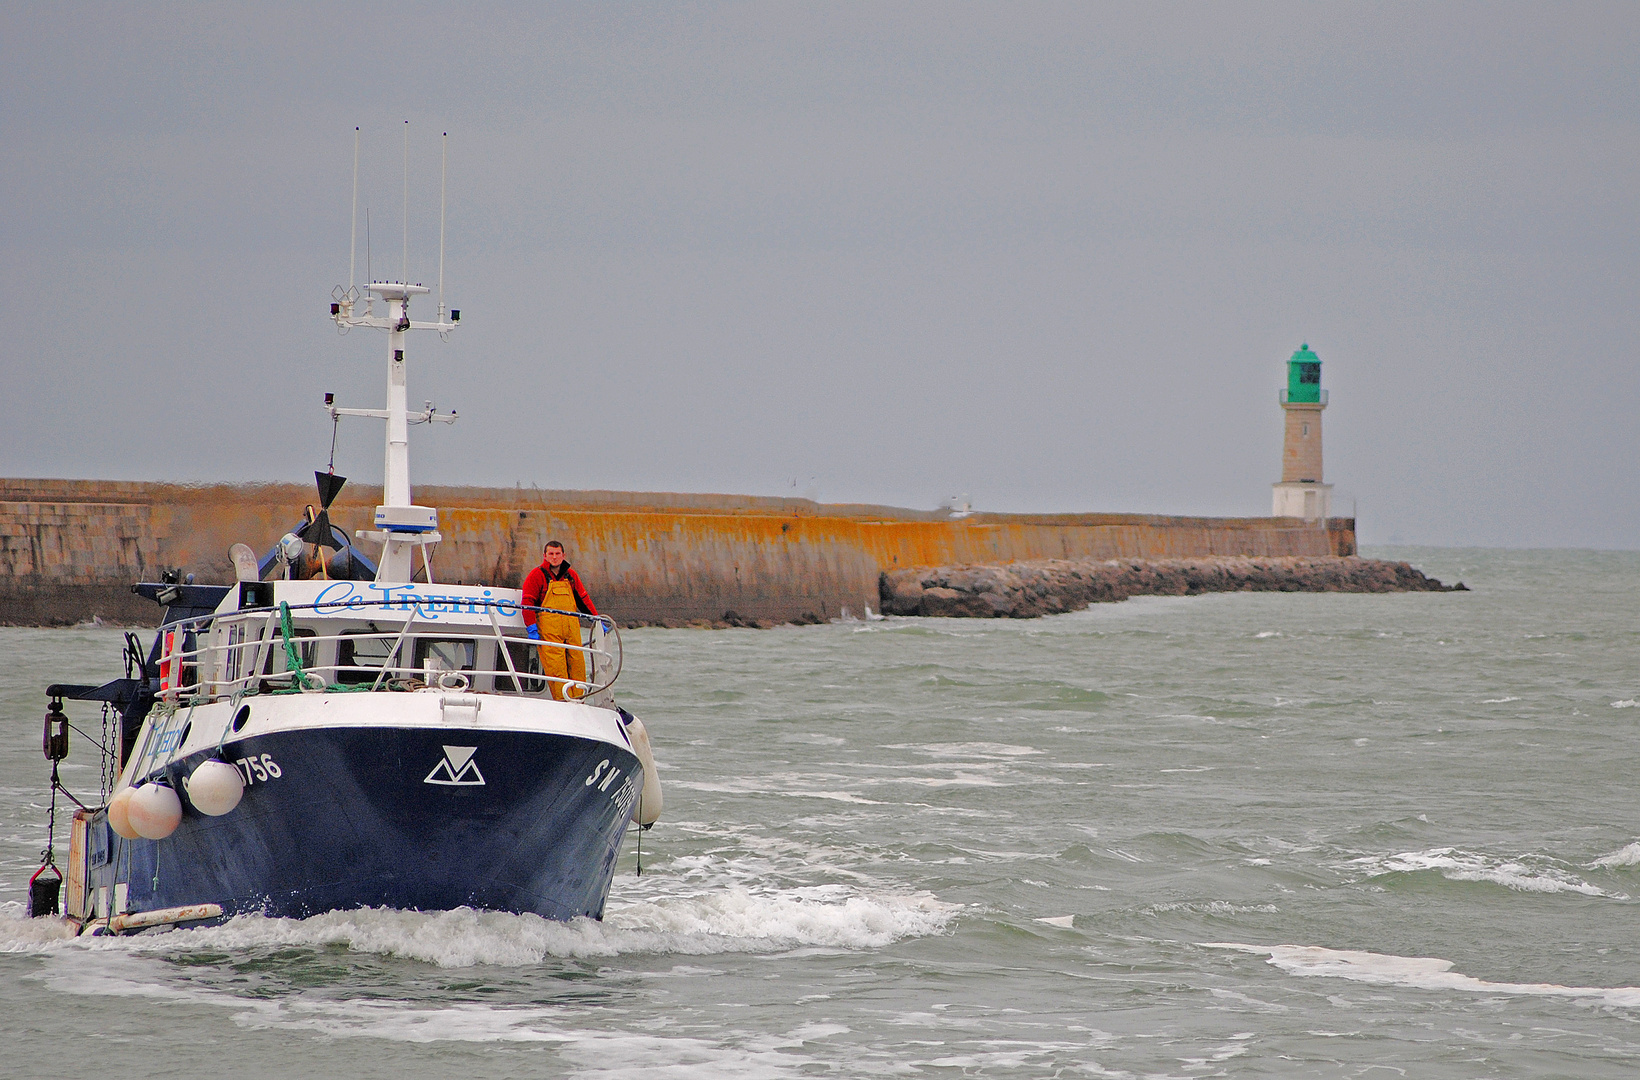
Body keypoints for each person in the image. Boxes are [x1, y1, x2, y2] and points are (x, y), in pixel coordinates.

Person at [521, 541, 598, 700]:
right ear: (545, 556)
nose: (554, 558)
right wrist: (532, 628)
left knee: (578, 665)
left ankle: (579, 701)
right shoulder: (537, 575)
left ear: (563, 555)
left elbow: (583, 599)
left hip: (572, 629)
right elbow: (527, 602)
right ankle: (563, 701)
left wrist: (596, 620)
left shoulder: (571, 575)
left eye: (557, 554)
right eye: (551, 554)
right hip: (550, 632)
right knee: (556, 669)